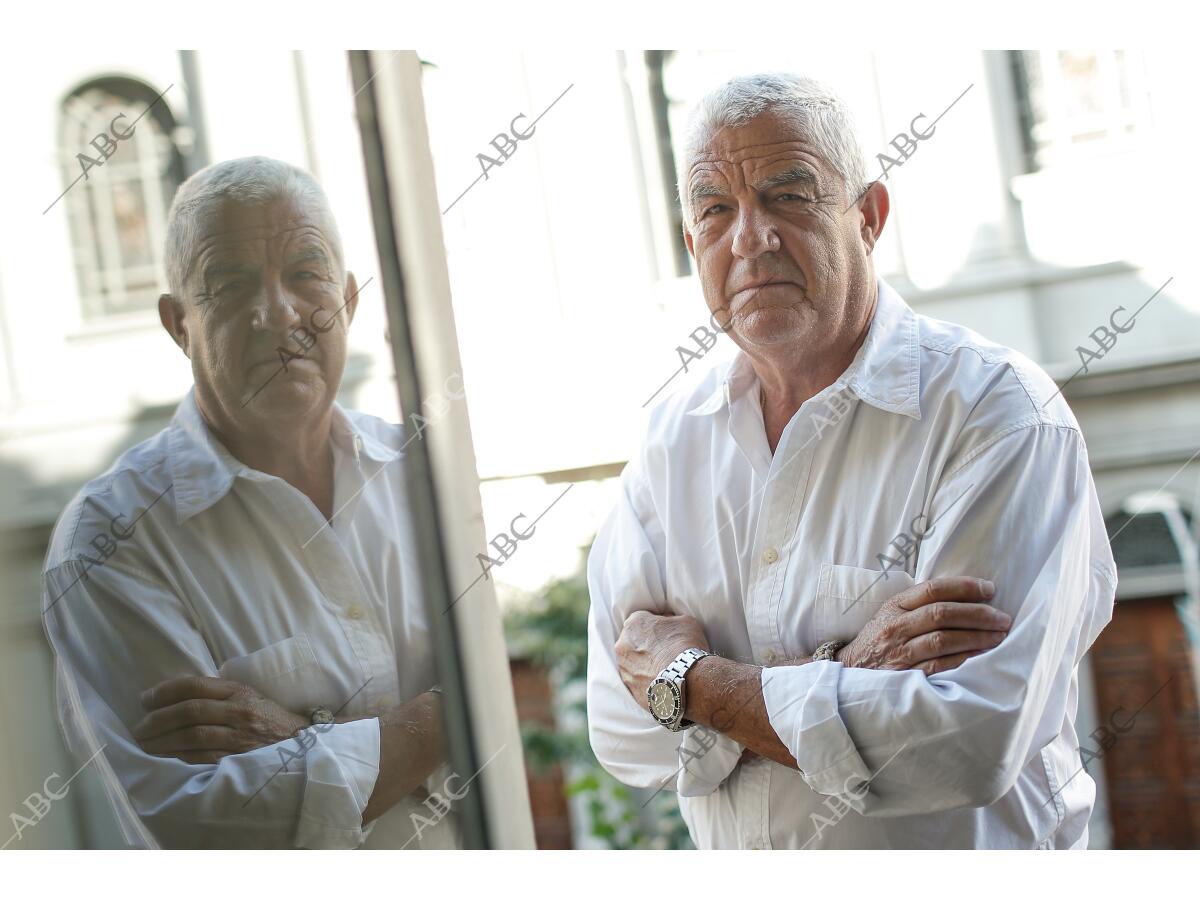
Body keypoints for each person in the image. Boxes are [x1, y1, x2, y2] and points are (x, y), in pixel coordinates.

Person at [586, 73, 1116, 849]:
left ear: (868, 216)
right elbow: (621, 733)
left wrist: (693, 683)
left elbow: (968, 741)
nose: (751, 238)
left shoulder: (997, 414)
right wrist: (844, 671)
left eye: (788, 196)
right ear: (692, 241)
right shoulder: (672, 440)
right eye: (716, 209)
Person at [42, 157, 457, 849]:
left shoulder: (426, 476)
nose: (278, 311)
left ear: (348, 301)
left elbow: (514, 726)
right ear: (180, 324)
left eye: (305, 272)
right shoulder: (110, 539)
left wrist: (309, 740)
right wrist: (439, 726)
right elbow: (203, 824)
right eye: (231, 283)